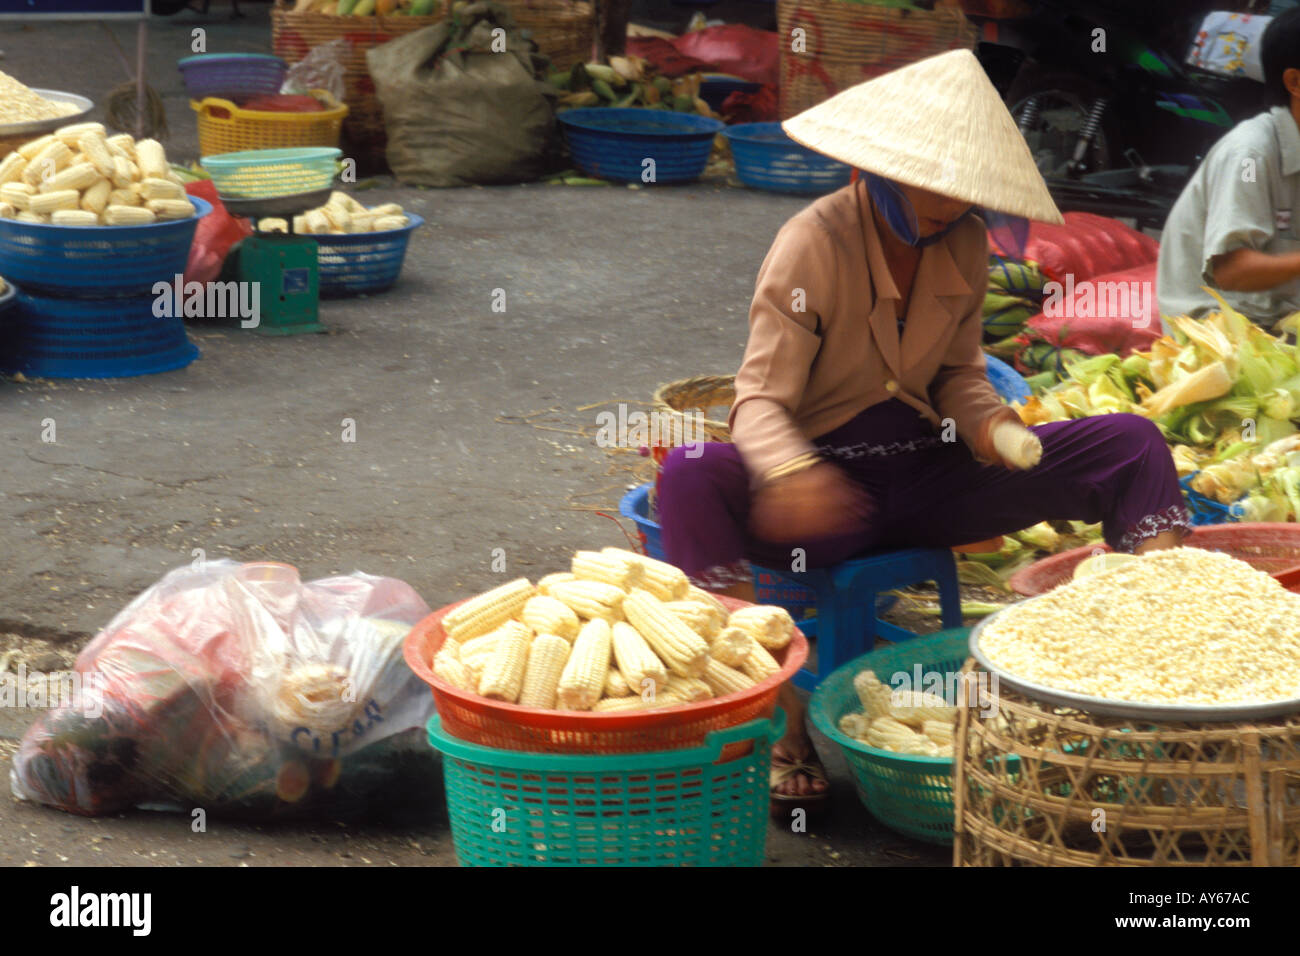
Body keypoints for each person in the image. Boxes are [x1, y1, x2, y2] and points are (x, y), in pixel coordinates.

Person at [657, 49, 1190, 813]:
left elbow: (957, 374)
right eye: (934, 187)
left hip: (925, 474)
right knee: (690, 471)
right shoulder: (815, 241)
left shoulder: (965, 240)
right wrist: (788, 472)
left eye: (963, 192)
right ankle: (772, 718)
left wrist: (994, 426)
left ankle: (1165, 683)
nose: (950, 206)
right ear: (881, 168)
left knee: (1131, 442)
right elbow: (759, 399)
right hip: (825, 495)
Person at [1158, 8, 1300, 326]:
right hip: (1219, 332)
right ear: (1295, 82)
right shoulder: (1250, 155)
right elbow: (1233, 271)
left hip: (1276, 319)